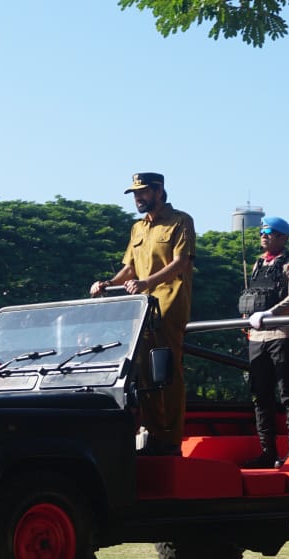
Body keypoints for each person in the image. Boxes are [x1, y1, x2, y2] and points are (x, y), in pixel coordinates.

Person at [90, 172, 195, 456]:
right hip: (141, 309)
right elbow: (130, 269)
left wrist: (148, 283)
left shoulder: (180, 221)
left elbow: (181, 263)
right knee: (144, 373)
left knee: (167, 372)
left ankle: (171, 440)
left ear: (159, 191)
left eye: (143, 192)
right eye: (135, 193)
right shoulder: (137, 228)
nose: (138, 197)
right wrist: (107, 283)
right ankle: (153, 435)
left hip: (168, 305)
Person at [235, 215, 289, 468]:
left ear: (283, 237)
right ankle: (267, 451)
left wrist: (270, 314)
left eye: (270, 232)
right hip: (256, 337)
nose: (264, 236)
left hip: (283, 335)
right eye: (262, 232)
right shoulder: (257, 264)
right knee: (260, 395)